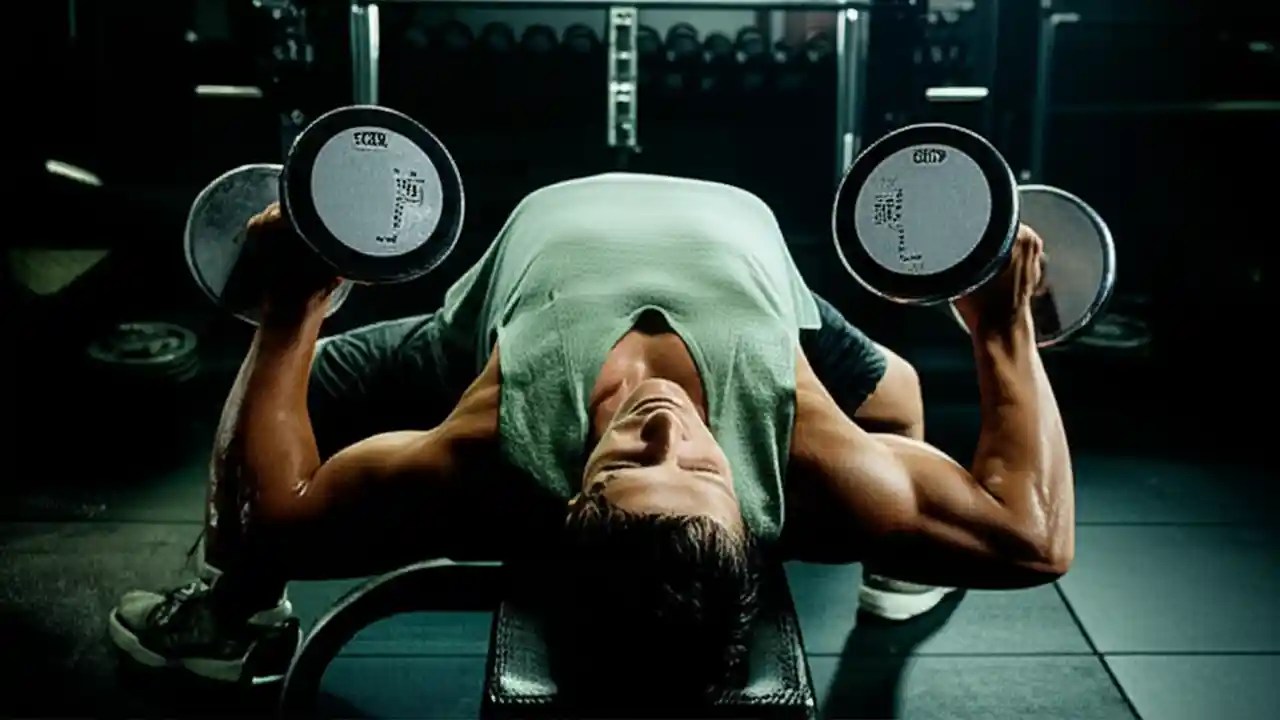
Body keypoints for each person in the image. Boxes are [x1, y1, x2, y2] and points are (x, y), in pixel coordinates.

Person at [108, 173, 1072, 690]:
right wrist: (1003, 333)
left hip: (493, 312)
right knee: (896, 393)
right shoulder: (808, 450)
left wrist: (288, 315)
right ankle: (902, 563)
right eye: (700, 464)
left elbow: (261, 519)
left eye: (627, 465)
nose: (666, 430)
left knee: (295, 385)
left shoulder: (485, 444)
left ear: (574, 495)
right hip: (759, 278)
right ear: (745, 501)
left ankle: (227, 623)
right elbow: (1034, 538)